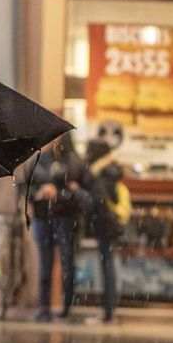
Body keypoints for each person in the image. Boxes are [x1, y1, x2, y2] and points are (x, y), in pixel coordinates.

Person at [27, 138, 85, 322]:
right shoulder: (40, 160)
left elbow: (80, 194)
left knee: (67, 263)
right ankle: (44, 307)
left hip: (65, 218)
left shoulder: (74, 161)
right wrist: (39, 193)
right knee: (45, 264)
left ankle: (67, 307)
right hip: (43, 216)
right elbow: (26, 189)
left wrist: (59, 194)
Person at [90, 162, 131, 322]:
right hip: (113, 229)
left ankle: (108, 311)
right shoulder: (118, 185)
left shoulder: (100, 182)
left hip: (105, 229)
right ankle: (110, 308)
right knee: (110, 266)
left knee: (107, 267)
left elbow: (100, 206)